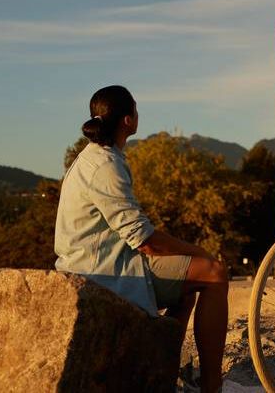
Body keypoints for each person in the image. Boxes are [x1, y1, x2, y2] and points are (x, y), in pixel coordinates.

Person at [53, 85, 230, 393]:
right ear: (127, 120)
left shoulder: (96, 158)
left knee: (185, 290)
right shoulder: (105, 165)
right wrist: (200, 253)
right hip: (105, 272)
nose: (138, 115)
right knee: (214, 274)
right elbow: (144, 239)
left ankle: (163, 369)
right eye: (135, 109)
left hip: (103, 264)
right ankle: (212, 385)